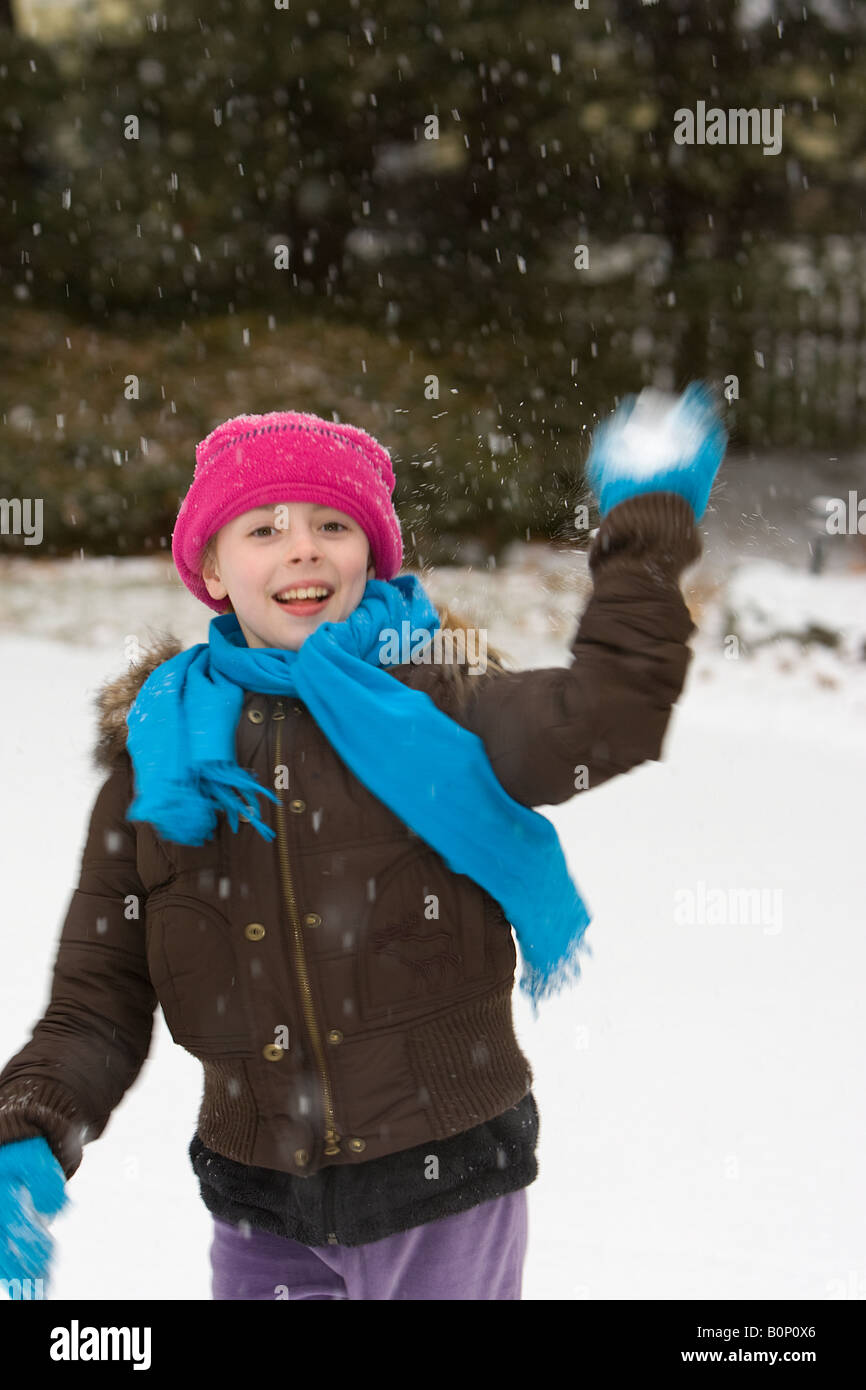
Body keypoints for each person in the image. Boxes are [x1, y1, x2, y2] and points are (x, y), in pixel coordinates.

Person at [0, 387, 726, 1301]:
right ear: (212, 570)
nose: (301, 545)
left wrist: (645, 527)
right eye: (262, 528)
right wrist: (28, 1129)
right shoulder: (159, 763)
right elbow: (97, 1001)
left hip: (442, 1192)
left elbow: (609, 717)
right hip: (260, 1210)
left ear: (371, 559)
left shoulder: (441, 702)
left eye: (331, 524)